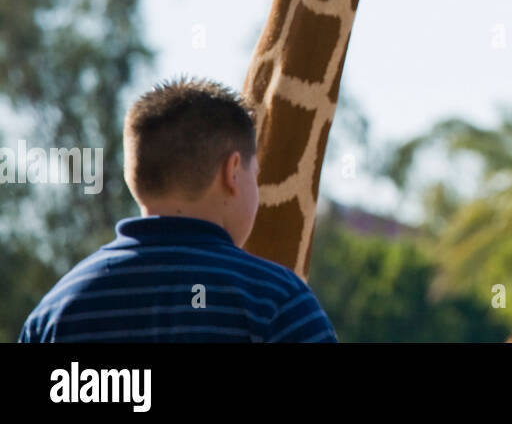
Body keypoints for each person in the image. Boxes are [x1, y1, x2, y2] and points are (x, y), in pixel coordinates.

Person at [19, 76, 337, 342]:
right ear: (233, 171)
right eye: (255, 175)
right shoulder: (276, 303)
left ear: (134, 176)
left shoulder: (55, 313)